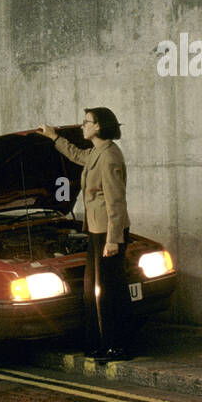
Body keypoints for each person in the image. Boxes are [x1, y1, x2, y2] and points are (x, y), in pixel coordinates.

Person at [36, 110, 132, 360]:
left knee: (108, 292)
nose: (82, 126)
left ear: (98, 126)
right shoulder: (96, 152)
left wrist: (113, 239)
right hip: (96, 229)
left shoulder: (110, 157)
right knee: (94, 289)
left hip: (108, 233)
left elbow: (116, 202)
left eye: (86, 122)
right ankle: (99, 342)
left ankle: (116, 345)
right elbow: (77, 155)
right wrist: (53, 137)